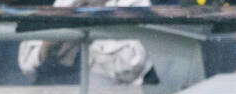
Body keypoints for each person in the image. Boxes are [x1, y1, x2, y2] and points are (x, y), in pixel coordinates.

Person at [18, 0, 154, 87]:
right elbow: (27, 65)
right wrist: (48, 45)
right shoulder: (66, 3)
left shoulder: (134, 3)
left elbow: (132, 65)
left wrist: (95, 20)